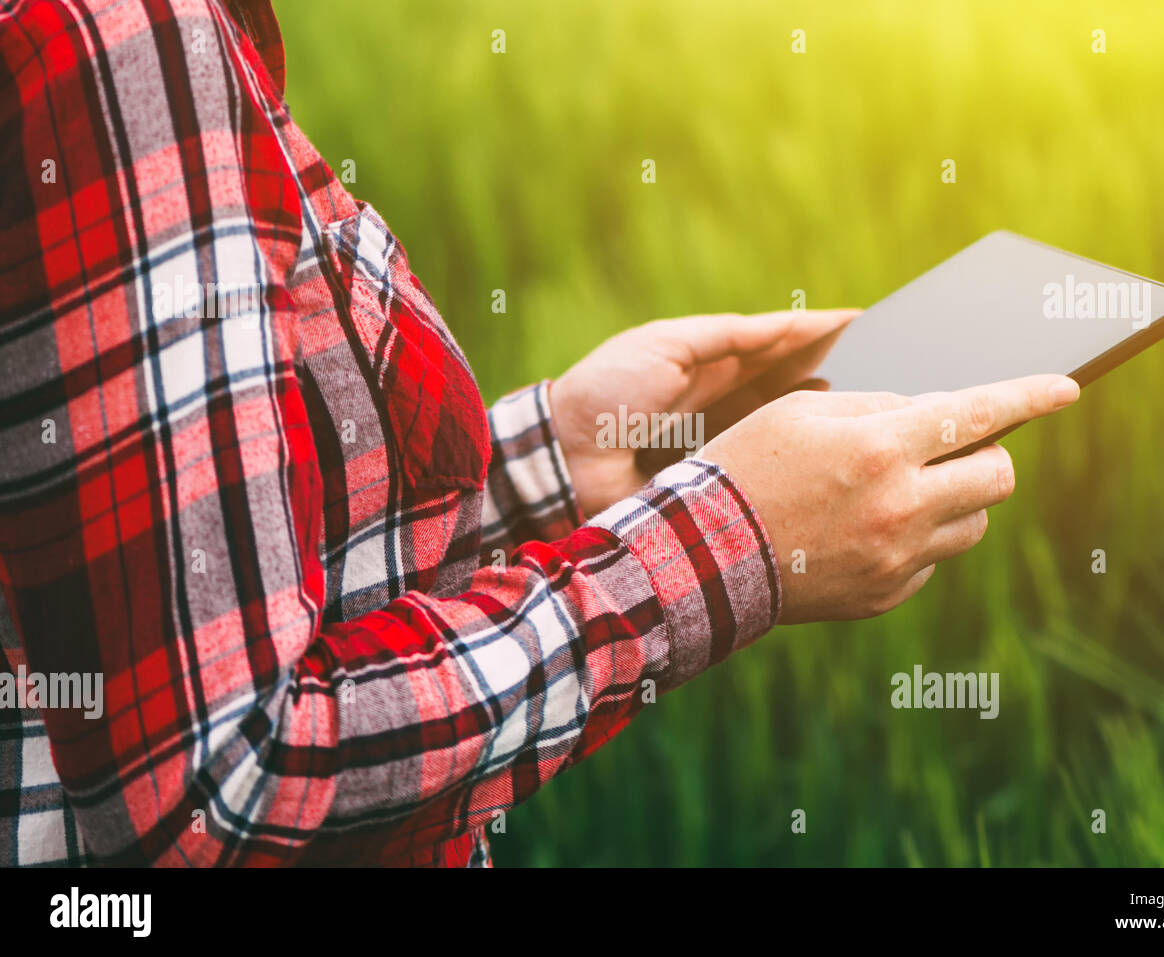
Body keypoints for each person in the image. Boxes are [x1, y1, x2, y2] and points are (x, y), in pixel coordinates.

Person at [0, 0, 1078, 866]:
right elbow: (222, 797)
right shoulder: (113, 38)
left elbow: (139, 589)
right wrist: (723, 547)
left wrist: (551, 464)